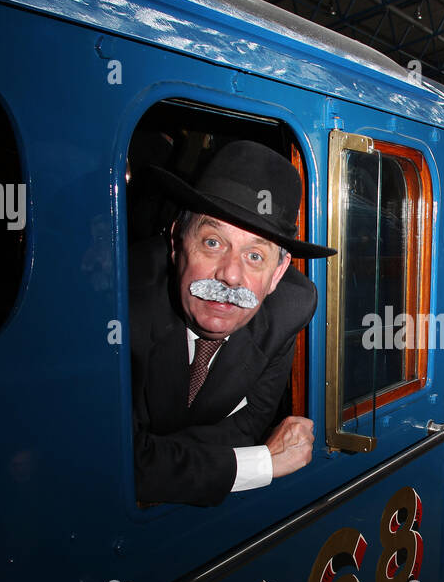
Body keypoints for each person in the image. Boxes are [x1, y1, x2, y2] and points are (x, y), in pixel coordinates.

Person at [130, 140, 337, 507]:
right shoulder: (122, 301)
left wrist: (163, 460)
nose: (230, 276)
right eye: (212, 242)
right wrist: (261, 464)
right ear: (177, 242)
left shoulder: (290, 308)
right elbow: (115, 461)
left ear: (277, 274)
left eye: (254, 255)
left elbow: (247, 425)